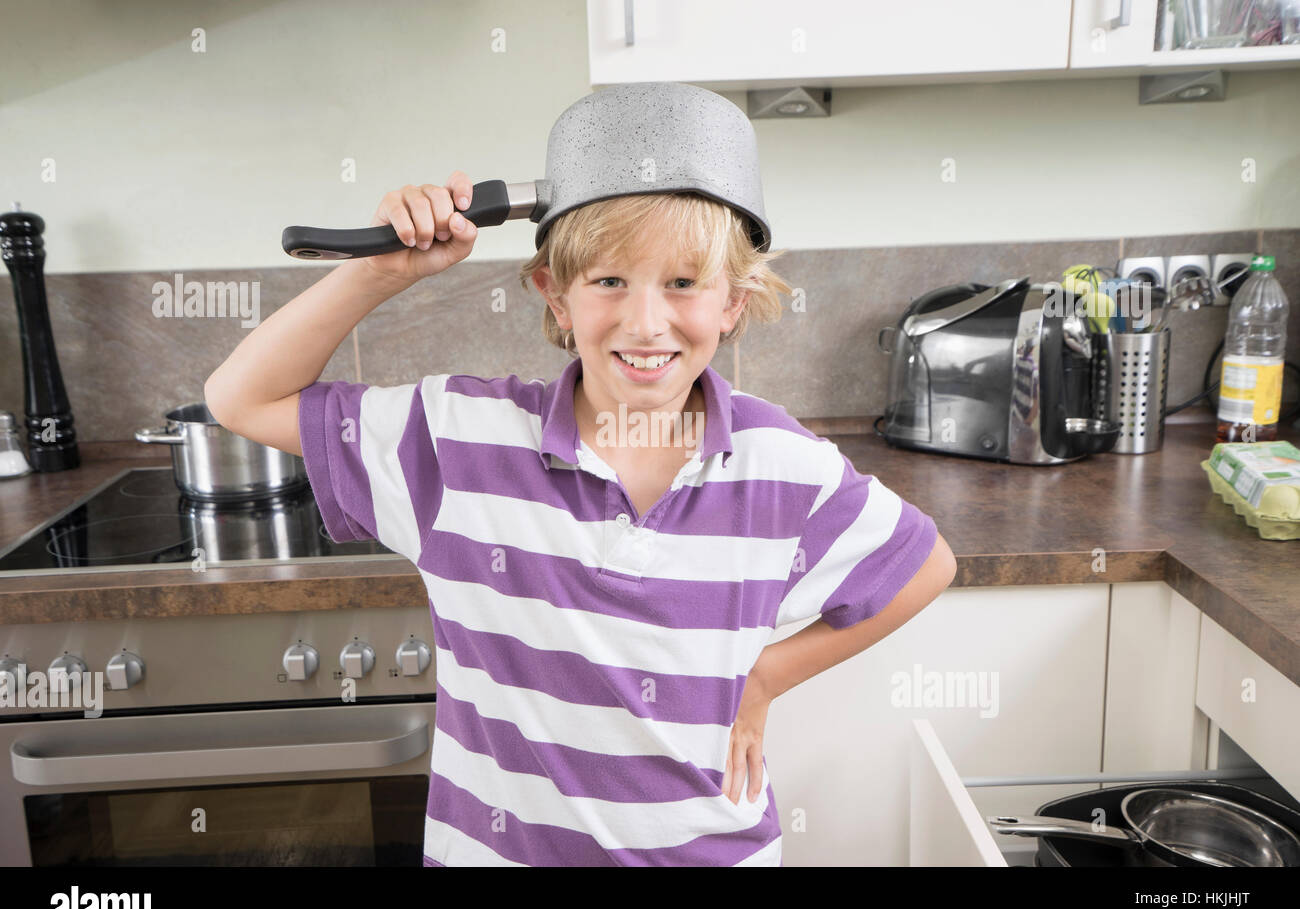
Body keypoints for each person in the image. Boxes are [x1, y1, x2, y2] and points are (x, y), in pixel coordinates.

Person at [205, 172, 956, 866]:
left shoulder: (783, 465)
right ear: (556, 296)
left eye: (683, 283)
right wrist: (380, 271)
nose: (646, 322)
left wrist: (764, 677)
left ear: (732, 302)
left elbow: (926, 566)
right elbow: (242, 399)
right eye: (609, 281)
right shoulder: (459, 442)